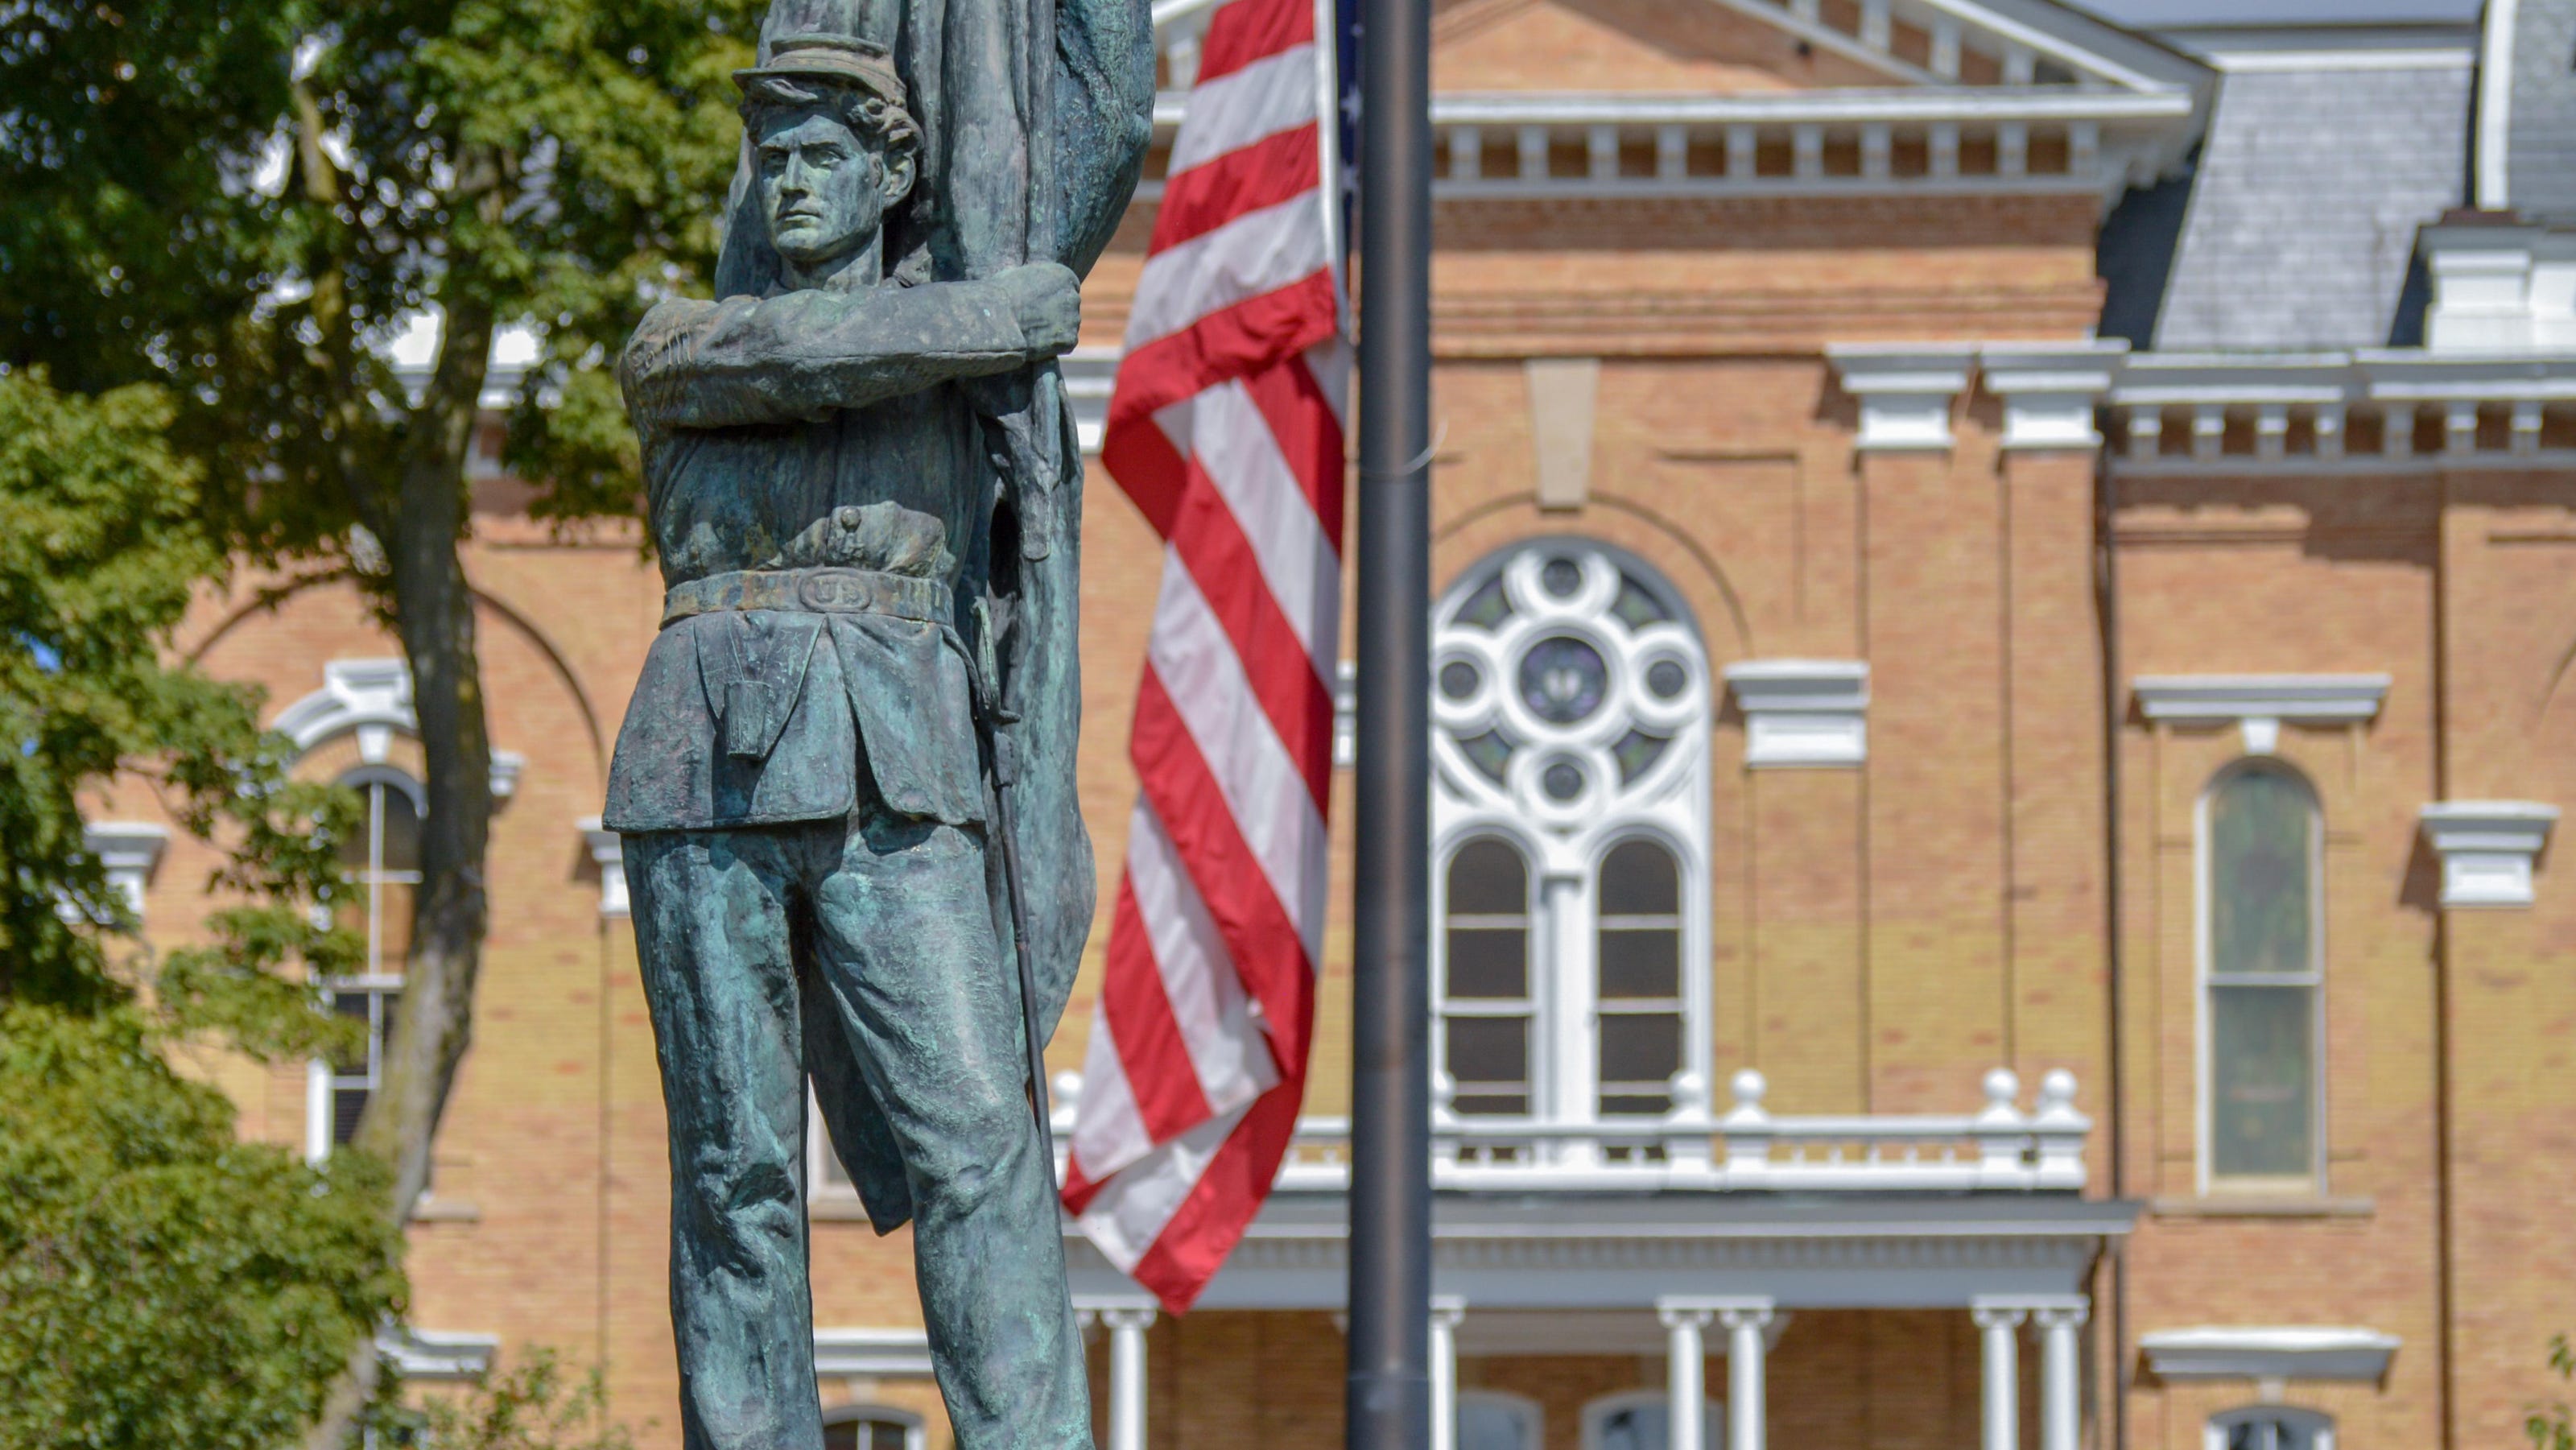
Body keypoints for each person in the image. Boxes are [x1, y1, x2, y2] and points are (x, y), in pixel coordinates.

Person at [601, 23, 1095, 1448]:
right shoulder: (684, 340)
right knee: (734, 1171)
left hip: (901, 767)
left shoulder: (962, 362)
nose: (791, 183)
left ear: (892, 176)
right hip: (701, 774)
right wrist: (1005, 313)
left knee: (977, 1141)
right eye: (774, 158)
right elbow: (807, 350)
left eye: (824, 157)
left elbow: (1100, 112)